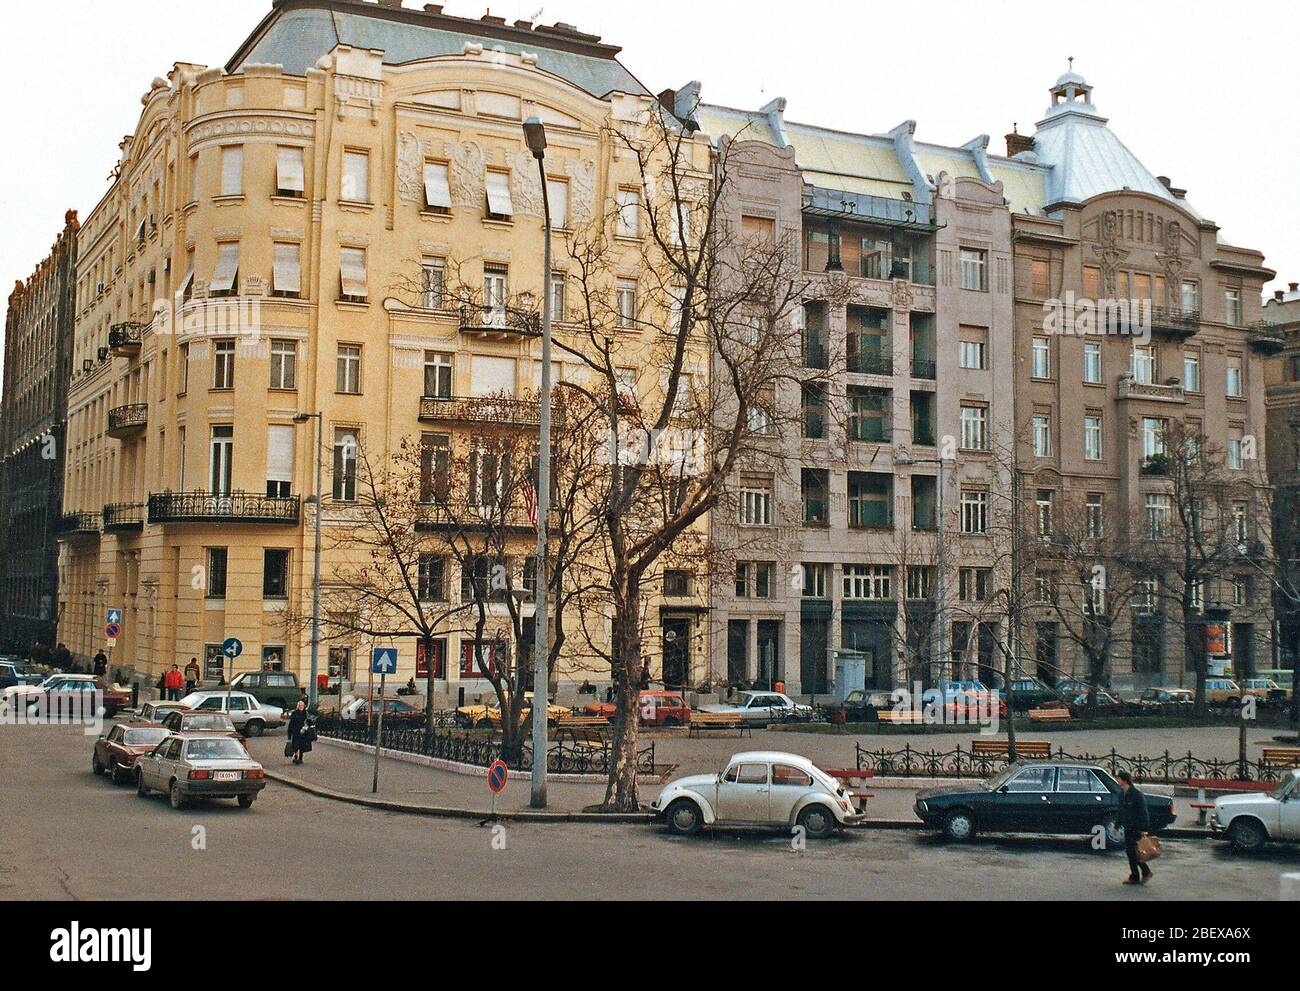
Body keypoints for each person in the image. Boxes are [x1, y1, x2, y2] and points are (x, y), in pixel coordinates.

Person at [1116, 770, 1153, 885]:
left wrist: (1144, 829)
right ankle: (1137, 875)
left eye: (1119, 779)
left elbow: (1143, 812)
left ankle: (1142, 873)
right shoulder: (1122, 794)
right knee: (1130, 852)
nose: (1117, 781)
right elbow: (1121, 811)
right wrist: (1117, 825)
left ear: (1124, 780)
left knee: (1134, 852)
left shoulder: (1137, 794)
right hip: (1128, 826)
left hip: (1136, 827)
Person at [286, 699, 313, 765]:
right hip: (296, 732)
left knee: (302, 745)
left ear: (304, 706)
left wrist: (309, 724)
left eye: (302, 705)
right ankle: (296, 756)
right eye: (300, 705)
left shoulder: (306, 713)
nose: (301, 707)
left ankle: (300, 758)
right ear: (298, 706)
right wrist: (289, 734)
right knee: (295, 745)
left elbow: (310, 722)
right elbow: (291, 723)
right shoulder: (294, 713)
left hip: (304, 732)